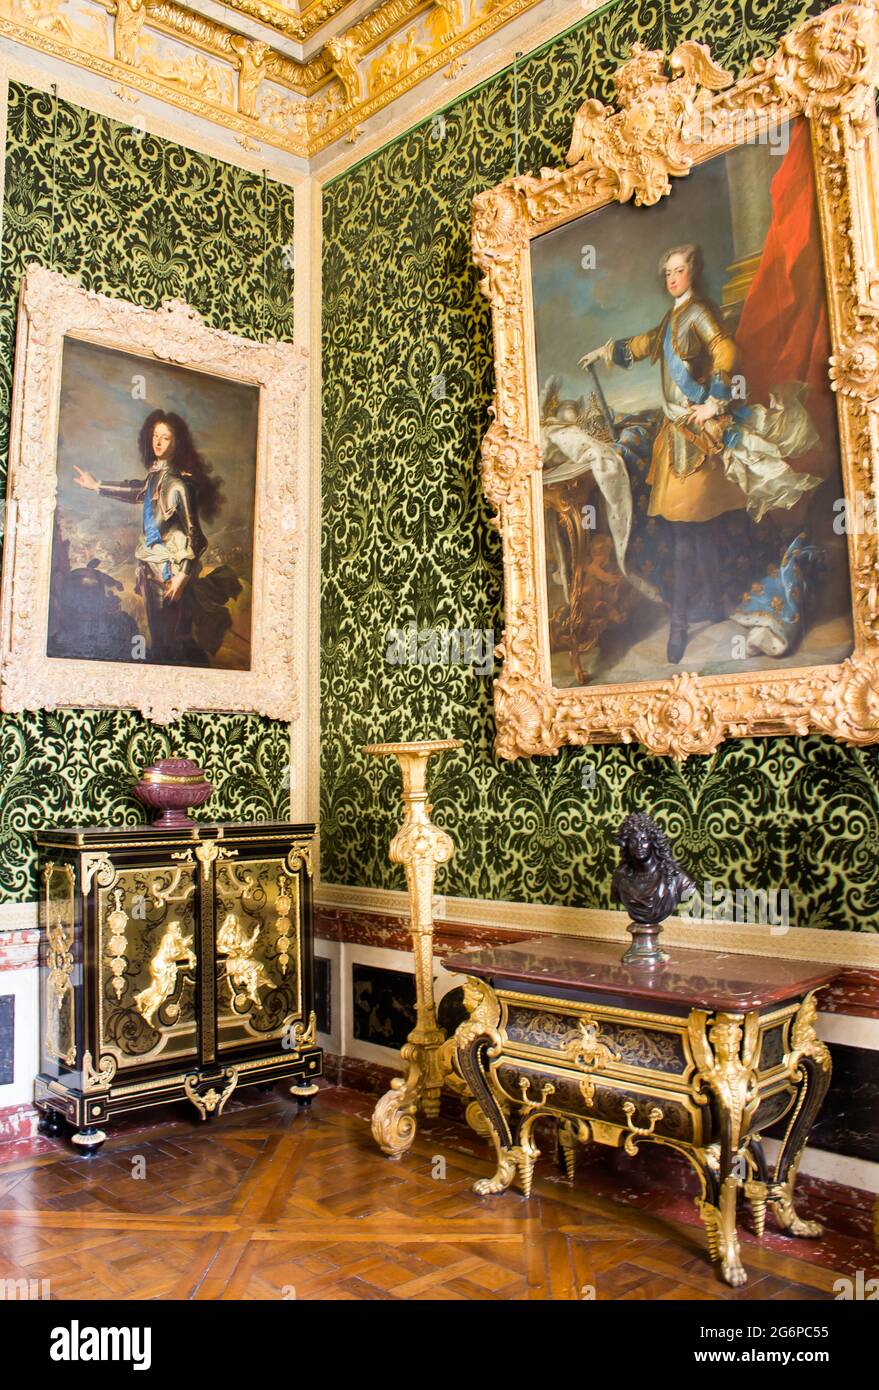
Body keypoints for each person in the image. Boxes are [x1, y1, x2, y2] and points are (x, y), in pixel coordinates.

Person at [580, 244, 820, 663]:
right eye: (668, 272)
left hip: (695, 437)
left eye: (679, 270)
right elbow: (643, 344)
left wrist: (714, 401)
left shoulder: (699, 312)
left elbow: (726, 351)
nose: (673, 278)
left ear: (693, 271)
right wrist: (605, 352)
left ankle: (679, 625)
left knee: (690, 536)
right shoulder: (671, 318)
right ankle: (706, 602)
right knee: (689, 535)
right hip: (672, 439)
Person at [74, 409, 224, 666]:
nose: (158, 442)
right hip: (149, 568)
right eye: (155, 435)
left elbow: (197, 538)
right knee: (157, 638)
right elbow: (136, 490)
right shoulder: (155, 477)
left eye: (165, 438)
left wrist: (182, 576)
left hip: (170, 574)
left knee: (167, 644)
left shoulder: (178, 484)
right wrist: (97, 486)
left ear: (175, 443)